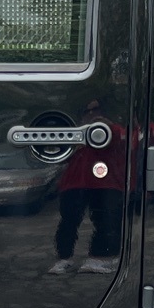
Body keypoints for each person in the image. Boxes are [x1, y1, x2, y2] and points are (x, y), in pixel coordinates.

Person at [48, 105, 127, 274]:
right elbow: (59, 155)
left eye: (97, 110)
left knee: (106, 221)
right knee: (68, 221)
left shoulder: (113, 130)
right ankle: (64, 259)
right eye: (87, 111)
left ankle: (99, 258)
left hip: (105, 184)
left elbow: (123, 141)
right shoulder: (76, 134)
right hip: (74, 184)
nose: (92, 115)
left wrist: (106, 126)